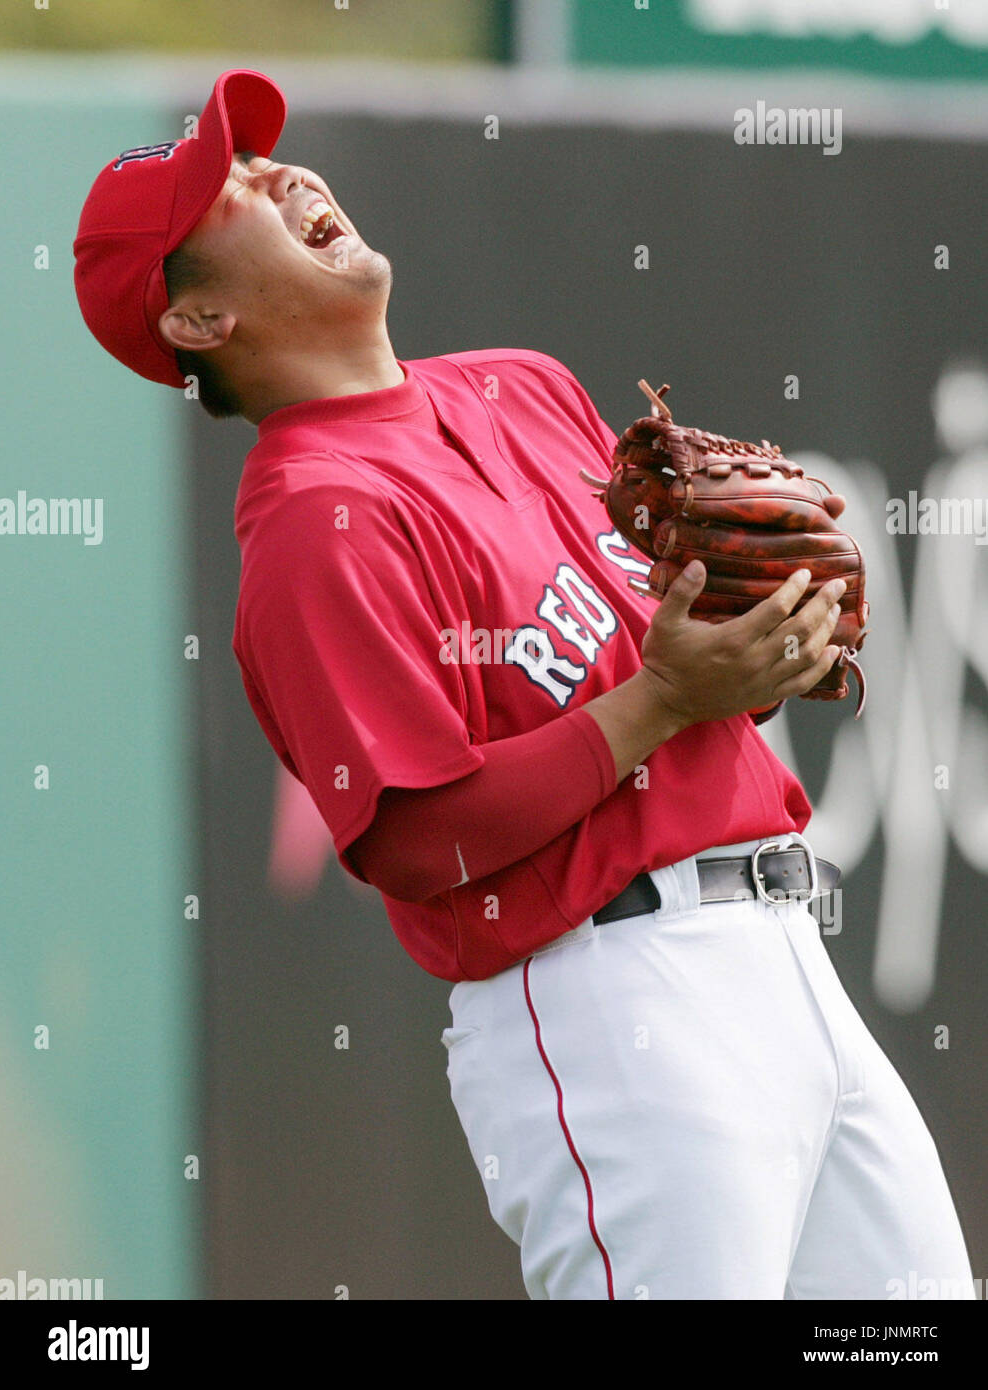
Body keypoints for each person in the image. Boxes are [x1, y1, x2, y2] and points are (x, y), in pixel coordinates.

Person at [74, 69, 974, 1301]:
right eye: (226, 191)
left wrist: (756, 655)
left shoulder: (521, 385)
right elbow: (413, 836)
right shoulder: (313, 526)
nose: (280, 176)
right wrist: (662, 697)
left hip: (787, 954)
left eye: (267, 156)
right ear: (195, 324)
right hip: (610, 1009)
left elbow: (660, 664)